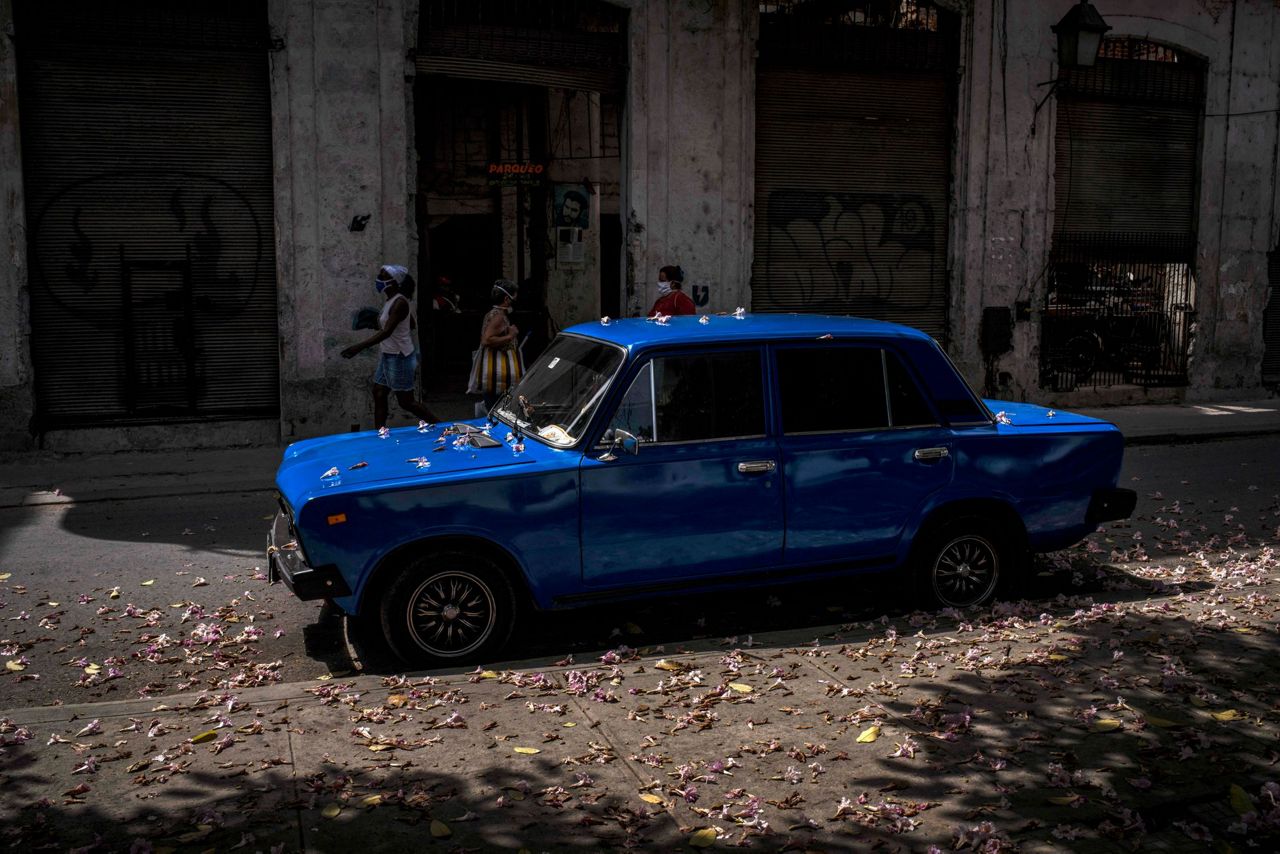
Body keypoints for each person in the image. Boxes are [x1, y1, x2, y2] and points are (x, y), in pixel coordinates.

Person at [341, 264, 441, 429]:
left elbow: (387, 332)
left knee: (406, 402)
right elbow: (410, 324)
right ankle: (380, 433)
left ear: (394, 282)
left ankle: (443, 426)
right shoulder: (392, 301)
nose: (378, 280)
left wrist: (358, 347)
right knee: (379, 392)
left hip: (399, 357)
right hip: (389, 354)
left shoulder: (399, 303)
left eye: (382, 277)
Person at [468, 279, 524, 412]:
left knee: (493, 408)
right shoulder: (498, 316)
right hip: (497, 375)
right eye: (513, 298)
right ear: (506, 298)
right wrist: (510, 336)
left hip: (496, 375)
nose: (514, 302)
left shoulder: (495, 314)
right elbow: (486, 340)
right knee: (497, 410)